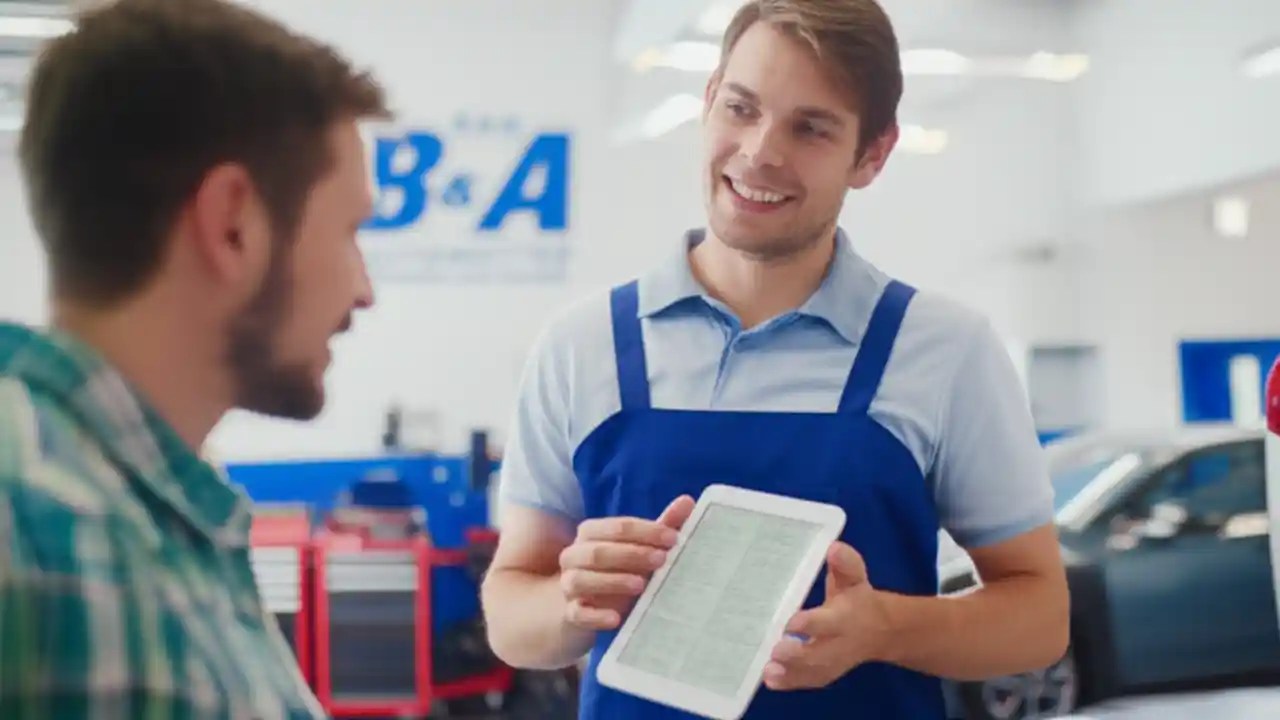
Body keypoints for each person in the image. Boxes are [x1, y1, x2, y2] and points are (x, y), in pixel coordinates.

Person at [480, 0, 1070, 717]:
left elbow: (1040, 616)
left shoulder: (945, 352)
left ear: (873, 154)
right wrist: (570, 605)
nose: (760, 151)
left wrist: (888, 627)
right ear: (708, 102)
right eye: (741, 108)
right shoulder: (581, 347)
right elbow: (514, 614)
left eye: (811, 127)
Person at [0, 0, 387, 717]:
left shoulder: (166, 512)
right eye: (350, 231)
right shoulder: (26, 520)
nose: (364, 290)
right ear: (232, 225)